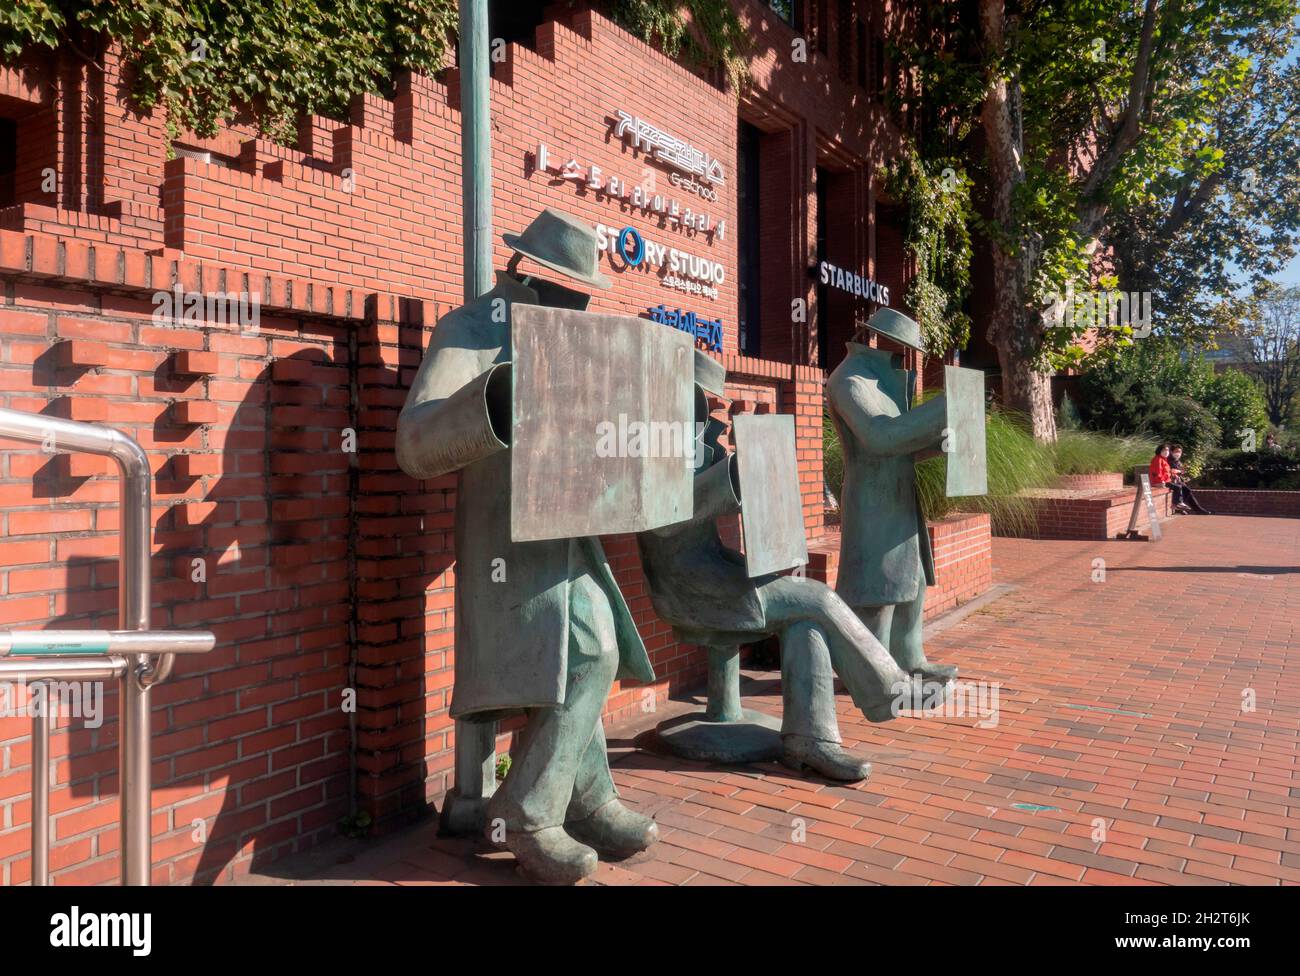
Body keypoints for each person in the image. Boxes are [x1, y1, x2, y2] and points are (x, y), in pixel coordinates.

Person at [395, 209, 658, 884]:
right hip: (504, 546)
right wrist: (498, 398)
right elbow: (416, 441)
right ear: (527, 274)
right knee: (590, 645)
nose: (577, 303)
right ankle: (527, 808)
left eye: (584, 293)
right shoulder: (473, 328)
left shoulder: (575, 336)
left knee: (579, 655)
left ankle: (586, 797)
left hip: (568, 533)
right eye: (567, 288)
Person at [636, 362, 951, 782]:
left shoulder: (701, 444)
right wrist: (732, 479)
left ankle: (811, 741)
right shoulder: (653, 446)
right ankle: (886, 688)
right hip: (687, 587)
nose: (711, 408)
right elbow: (661, 521)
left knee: (808, 622)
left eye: (710, 401)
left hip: (722, 574)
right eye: (702, 399)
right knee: (817, 598)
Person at [1168, 444, 1212, 514]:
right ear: (1171, 452)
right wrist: (1178, 472)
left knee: (1187, 490)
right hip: (1171, 481)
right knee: (1186, 490)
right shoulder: (1168, 461)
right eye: (1176, 451)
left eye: (1180, 452)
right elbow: (1171, 471)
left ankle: (1191, 509)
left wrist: (1180, 473)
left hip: (1178, 481)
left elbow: (1181, 471)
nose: (1178, 453)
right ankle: (1196, 509)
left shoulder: (1178, 461)